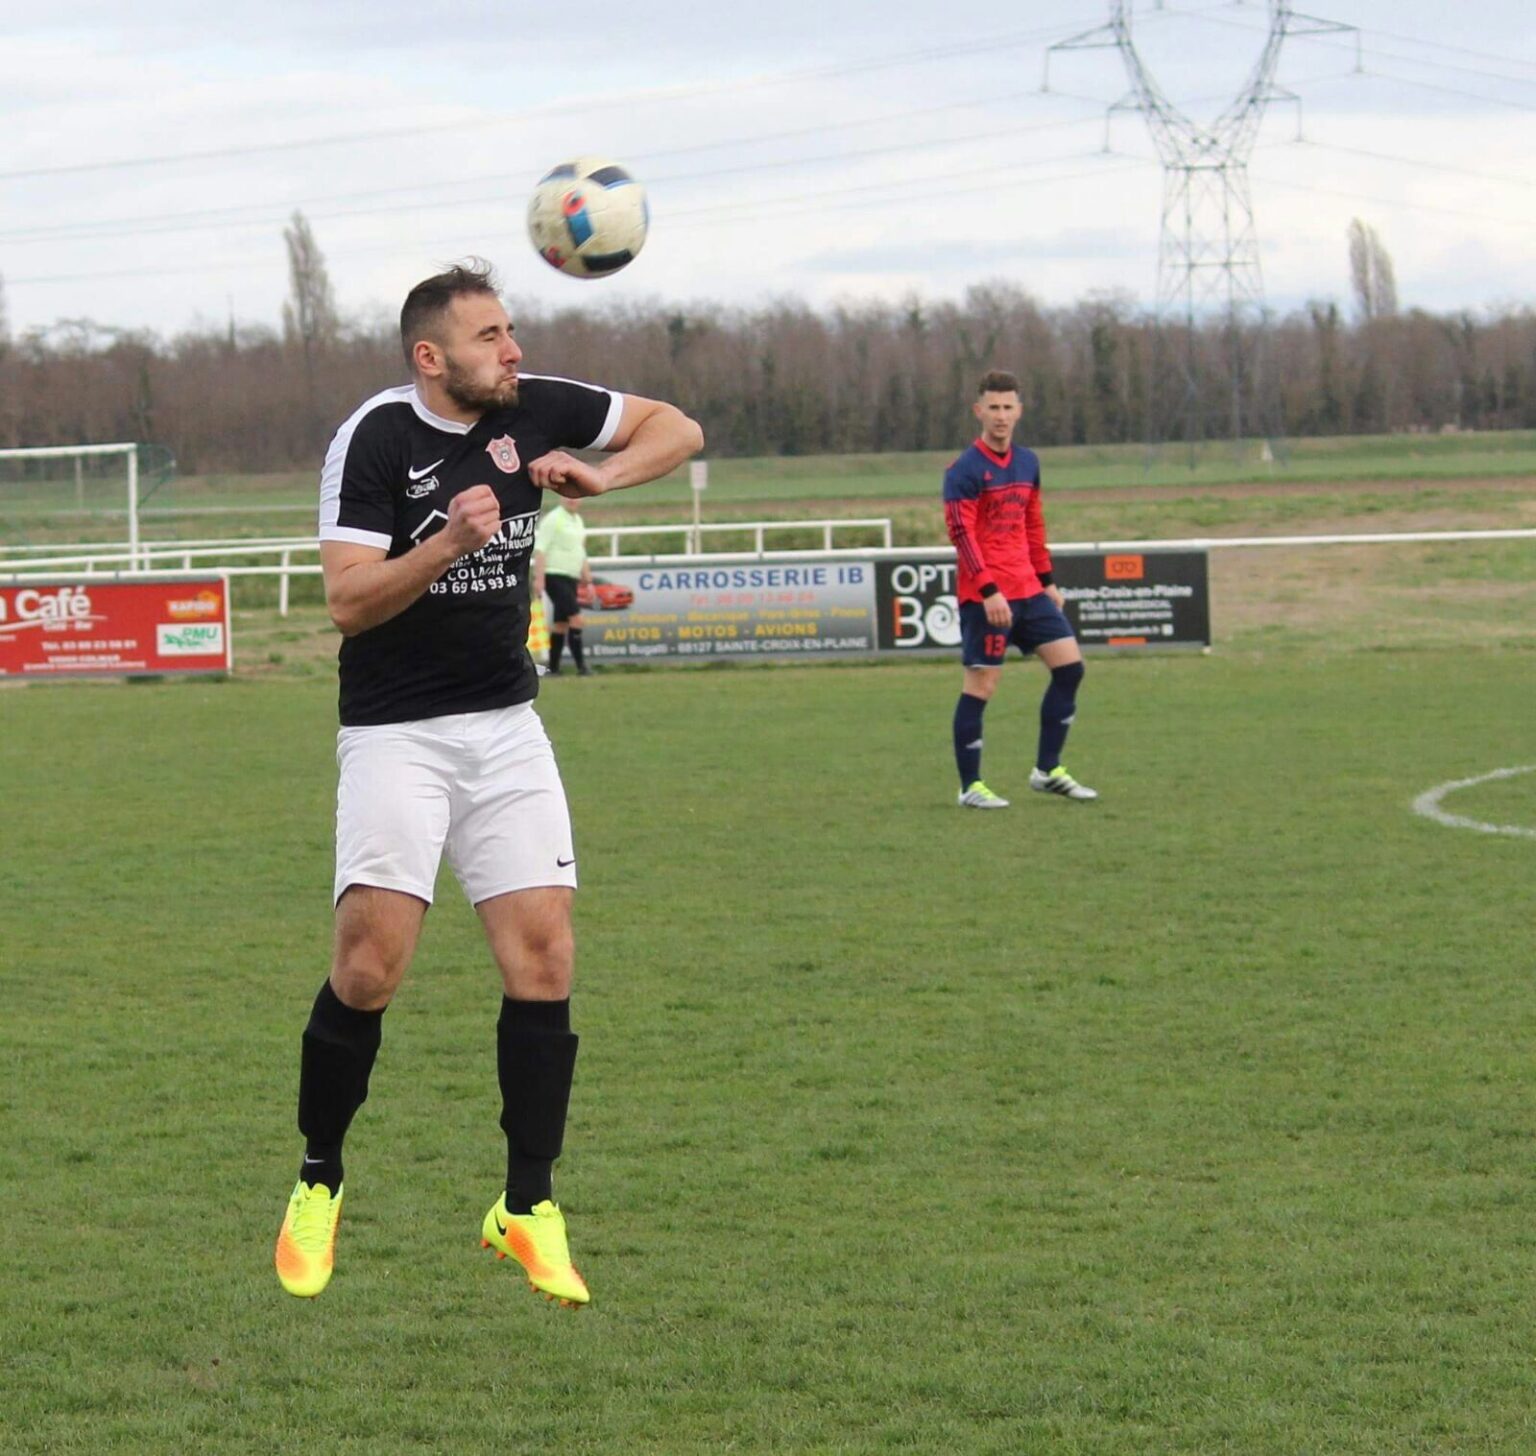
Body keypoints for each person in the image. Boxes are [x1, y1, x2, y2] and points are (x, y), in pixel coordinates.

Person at [274, 260, 703, 1303]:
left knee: (546, 953)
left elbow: (676, 429)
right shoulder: (375, 438)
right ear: (432, 357)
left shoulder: (536, 404)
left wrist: (605, 475)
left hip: (506, 724)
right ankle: (319, 1179)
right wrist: (446, 542)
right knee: (372, 966)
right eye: (489, 337)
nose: (513, 351)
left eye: (512, 330)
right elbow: (346, 603)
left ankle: (526, 1206)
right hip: (395, 734)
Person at [943, 369, 1097, 809]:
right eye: (993, 407)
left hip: (1029, 590)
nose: (1001, 416)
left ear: (1019, 411)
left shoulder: (1028, 462)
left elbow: (1032, 523)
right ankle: (970, 786)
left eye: (1008, 407)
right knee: (982, 685)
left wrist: (1046, 581)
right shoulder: (964, 470)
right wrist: (989, 589)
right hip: (986, 596)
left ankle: (1047, 770)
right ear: (978, 411)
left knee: (1070, 668)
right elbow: (961, 534)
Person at [532, 495, 592, 676]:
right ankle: (582, 668)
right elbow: (540, 549)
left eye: (576, 497)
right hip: (554, 575)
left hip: (571, 576)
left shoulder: (577, 520)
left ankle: (554, 669)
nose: (572, 500)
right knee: (577, 619)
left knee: (561, 624)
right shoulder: (553, 519)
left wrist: (587, 578)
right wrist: (539, 578)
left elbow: (580, 550)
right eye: (568, 496)